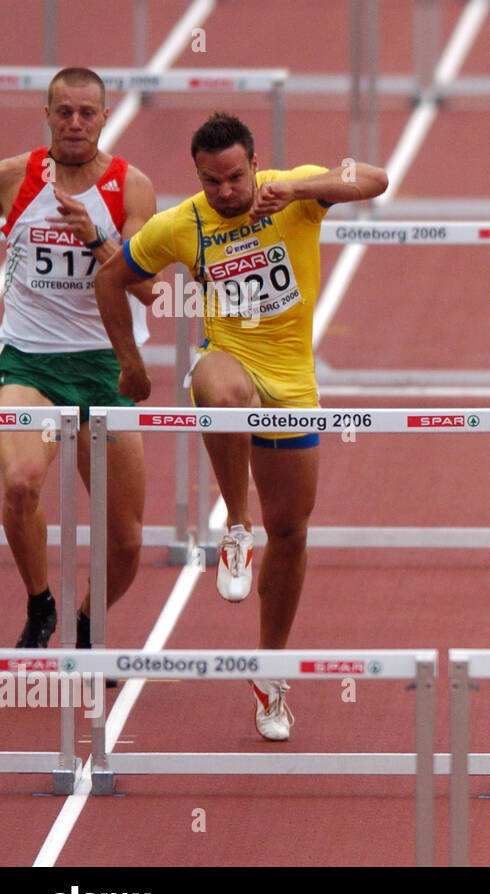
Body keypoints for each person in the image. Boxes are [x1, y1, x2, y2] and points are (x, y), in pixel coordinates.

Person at [95, 112, 388, 739]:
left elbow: (375, 180)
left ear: (255, 165)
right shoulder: (183, 224)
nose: (225, 192)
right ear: (197, 177)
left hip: (292, 385)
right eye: (211, 182)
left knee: (293, 531)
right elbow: (111, 277)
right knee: (219, 393)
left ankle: (267, 669)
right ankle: (234, 525)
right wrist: (129, 362)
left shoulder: (294, 191)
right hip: (230, 360)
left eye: (234, 178)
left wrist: (305, 191)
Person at [0, 67, 156, 660]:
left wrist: (96, 238)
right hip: (31, 367)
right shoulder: (14, 178)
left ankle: (89, 622)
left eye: (86, 113)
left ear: (104, 118)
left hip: (104, 370)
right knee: (18, 483)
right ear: (46, 115)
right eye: (63, 111)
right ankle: (41, 603)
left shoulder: (129, 187)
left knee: (126, 541)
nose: (74, 123)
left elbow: (145, 289)